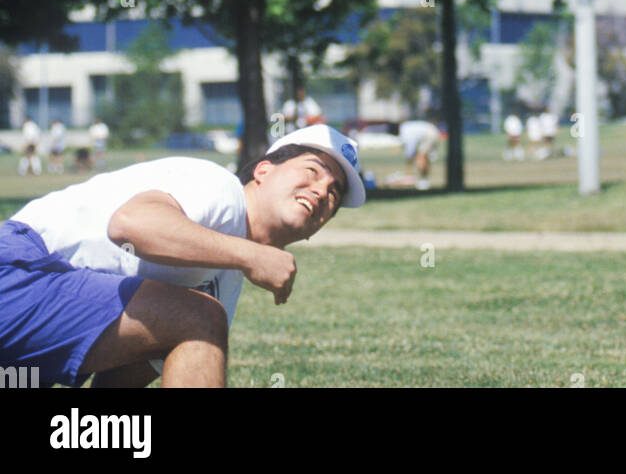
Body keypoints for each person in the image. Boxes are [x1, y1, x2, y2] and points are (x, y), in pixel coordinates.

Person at [0, 123, 364, 389]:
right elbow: (130, 224)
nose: (321, 191)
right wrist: (252, 256)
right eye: (313, 171)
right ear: (263, 170)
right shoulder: (217, 188)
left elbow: (120, 381)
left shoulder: (223, 287)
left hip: (30, 336)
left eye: (334, 193)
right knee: (200, 316)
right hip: (18, 271)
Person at [398, 118, 440, 191]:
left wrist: (409, 163)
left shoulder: (404, 132)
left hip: (429, 133)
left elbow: (410, 150)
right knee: (424, 159)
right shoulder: (405, 127)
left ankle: (423, 181)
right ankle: (424, 181)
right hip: (431, 131)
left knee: (421, 158)